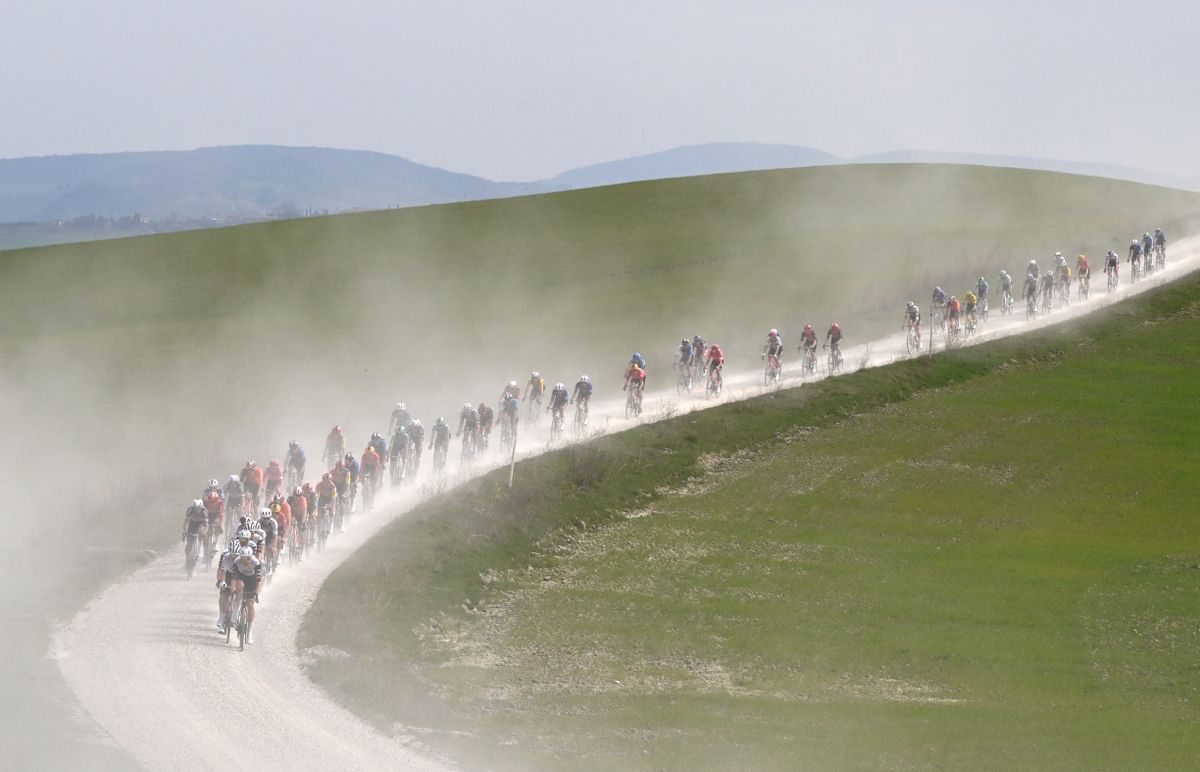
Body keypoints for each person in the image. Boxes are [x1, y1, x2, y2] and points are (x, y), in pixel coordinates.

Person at [228, 544, 263, 644]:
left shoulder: (256, 563)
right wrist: (233, 591)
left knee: (250, 604)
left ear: (251, 557)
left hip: (252, 579)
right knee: (239, 588)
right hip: (241, 576)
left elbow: (258, 581)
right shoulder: (237, 561)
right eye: (243, 558)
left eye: (247, 559)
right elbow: (234, 579)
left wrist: (256, 593)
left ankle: (249, 632)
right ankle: (235, 609)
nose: (245, 561)